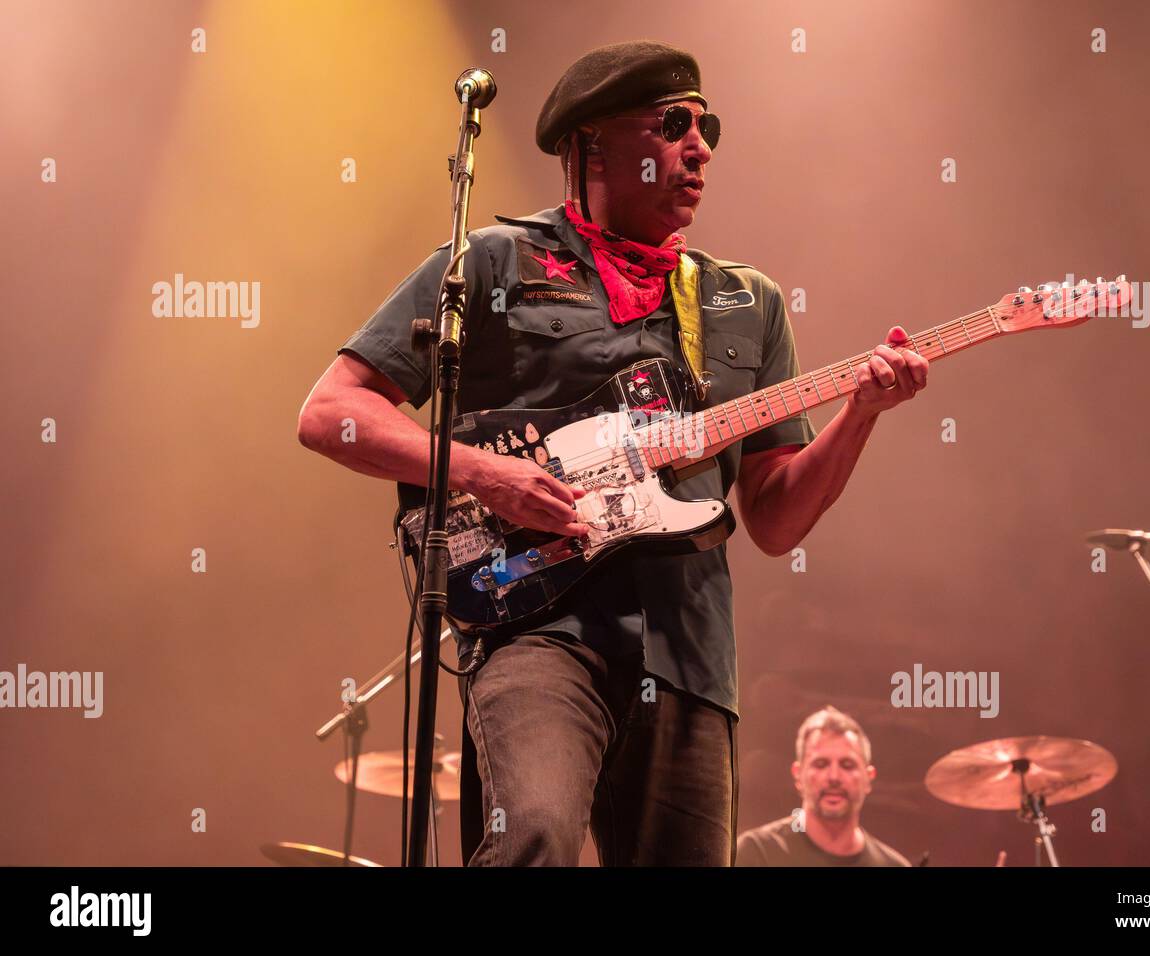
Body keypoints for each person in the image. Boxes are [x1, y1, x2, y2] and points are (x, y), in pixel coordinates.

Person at [297, 40, 929, 866]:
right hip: (534, 624)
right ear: (592, 146)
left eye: (707, 130)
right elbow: (331, 413)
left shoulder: (748, 302)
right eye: (674, 126)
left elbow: (774, 521)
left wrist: (860, 415)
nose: (699, 148)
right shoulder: (494, 261)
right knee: (535, 837)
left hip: (691, 653)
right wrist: (487, 472)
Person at [736, 706, 911, 867]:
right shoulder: (756, 854)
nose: (834, 777)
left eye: (847, 765)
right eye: (820, 764)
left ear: (868, 777)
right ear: (798, 774)